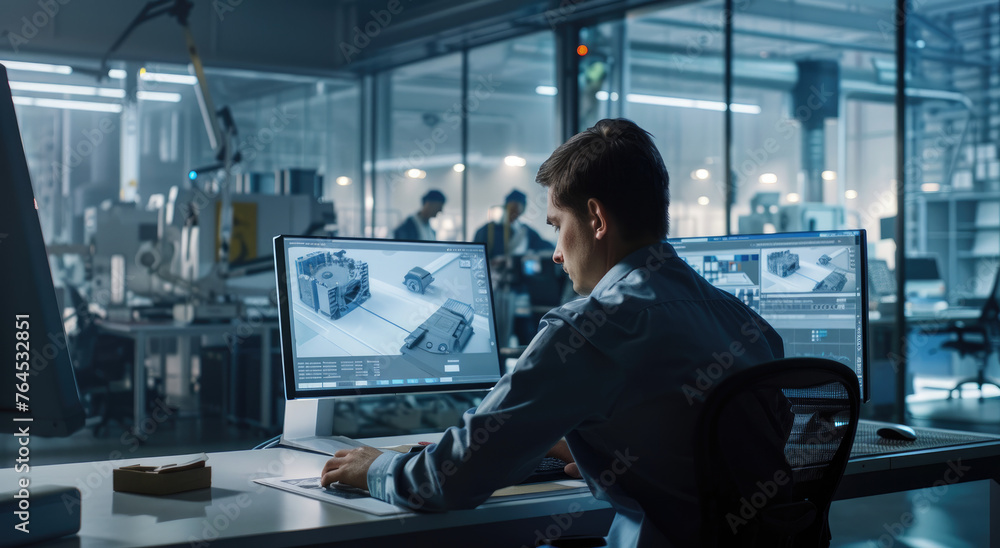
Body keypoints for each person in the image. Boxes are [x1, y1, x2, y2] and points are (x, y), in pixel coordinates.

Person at [320, 119, 784, 546]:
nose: (557, 254)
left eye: (559, 226)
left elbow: (452, 479)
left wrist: (375, 466)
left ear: (597, 220)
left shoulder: (588, 328)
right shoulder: (746, 322)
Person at [472, 189, 552, 258]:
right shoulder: (486, 231)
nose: (514, 213)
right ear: (505, 207)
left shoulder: (526, 231)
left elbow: (544, 246)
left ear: (522, 210)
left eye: (517, 210)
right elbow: (476, 254)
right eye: (512, 208)